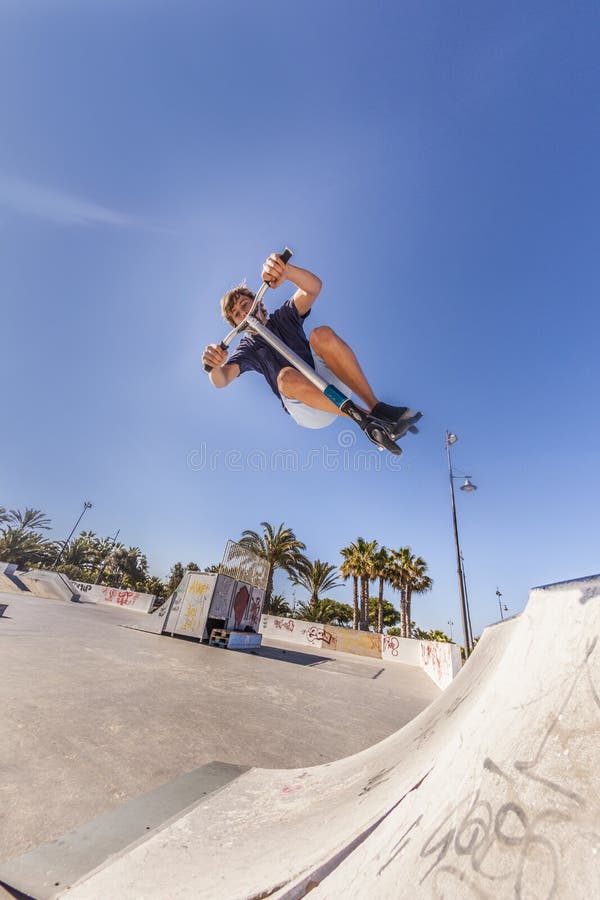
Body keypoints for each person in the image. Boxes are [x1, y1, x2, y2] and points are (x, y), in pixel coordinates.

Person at [202, 253, 413, 432]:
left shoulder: (284, 316)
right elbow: (222, 379)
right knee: (283, 377)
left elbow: (313, 288)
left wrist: (287, 272)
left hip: (330, 382)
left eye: (245, 305)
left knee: (320, 334)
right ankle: (365, 418)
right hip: (307, 407)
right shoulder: (247, 349)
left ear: (257, 302)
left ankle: (376, 408)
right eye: (237, 315)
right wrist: (214, 366)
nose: (244, 313)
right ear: (236, 325)